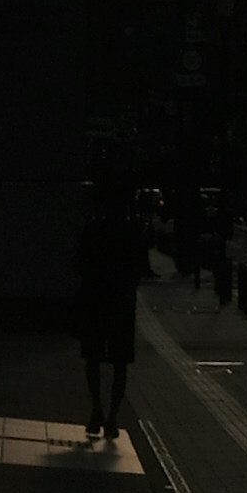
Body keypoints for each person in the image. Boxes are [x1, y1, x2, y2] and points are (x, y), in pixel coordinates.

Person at [73, 160, 143, 442]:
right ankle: (111, 416)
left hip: (95, 298)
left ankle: (97, 410)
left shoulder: (93, 229)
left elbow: (79, 264)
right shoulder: (131, 231)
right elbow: (139, 268)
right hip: (121, 301)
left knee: (92, 357)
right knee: (120, 361)